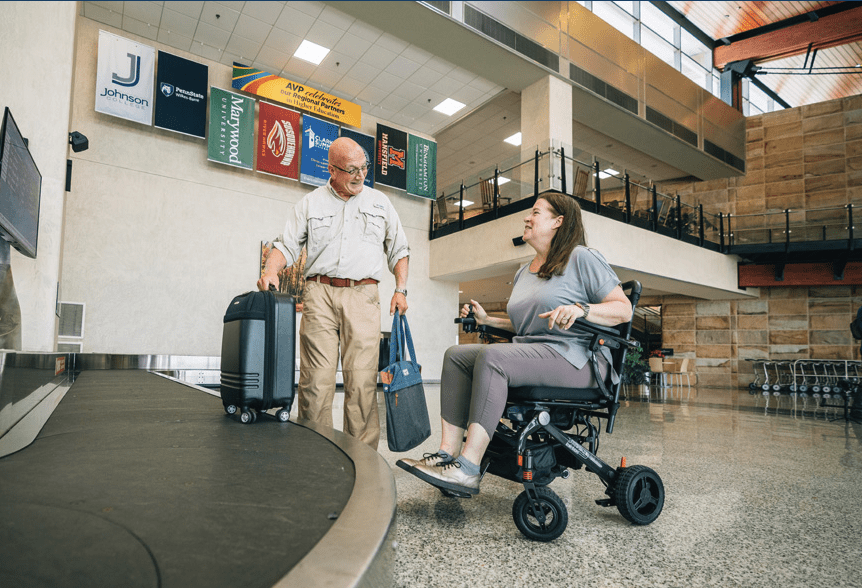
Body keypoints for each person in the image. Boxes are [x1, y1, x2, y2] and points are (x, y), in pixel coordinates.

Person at [398, 193, 632, 495]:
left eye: (536, 212)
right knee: (457, 355)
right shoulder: (525, 270)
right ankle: (447, 455)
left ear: (558, 222)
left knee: (494, 358)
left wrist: (581, 309)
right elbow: (526, 325)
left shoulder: (582, 257)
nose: (527, 217)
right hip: (535, 353)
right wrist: (487, 320)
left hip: (578, 359)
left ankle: (469, 468)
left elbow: (623, 309)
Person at [258, 137, 410, 449]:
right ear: (332, 169)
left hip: (363, 296)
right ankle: (316, 454)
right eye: (352, 169)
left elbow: (399, 250)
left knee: (362, 382)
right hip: (320, 295)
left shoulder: (380, 203)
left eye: (364, 168)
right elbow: (285, 244)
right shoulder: (311, 203)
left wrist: (401, 290)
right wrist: (271, 270)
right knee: (316, 381)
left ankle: (363, 459)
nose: (360, 175)